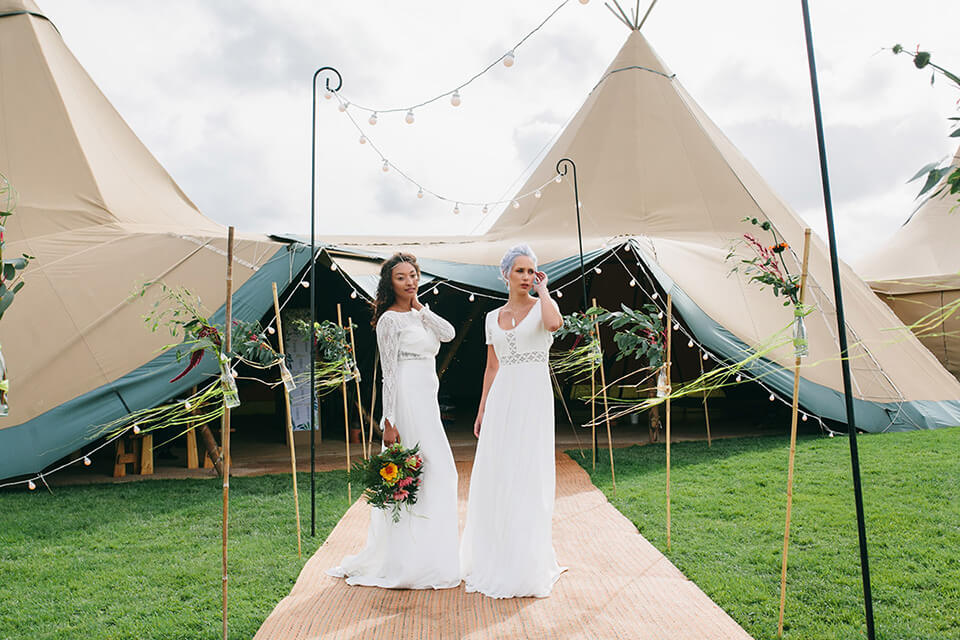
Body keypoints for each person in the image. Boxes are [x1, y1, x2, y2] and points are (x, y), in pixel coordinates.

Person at [327, 252, 460, 589]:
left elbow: (448, 333)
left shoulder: (420, 316)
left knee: (440, 474)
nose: (410, 281)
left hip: (428, 403)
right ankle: (406, 557)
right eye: (401, 277)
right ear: (390, 283)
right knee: (416, 476)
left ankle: (432, 553)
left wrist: (420, 307)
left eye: (413, 275)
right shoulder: (388, 321)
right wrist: (389, 420)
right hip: (406, 402)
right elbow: (388, 373)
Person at [460, 243, 567, 598]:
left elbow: (555, 324)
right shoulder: (492, 318)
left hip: (534, 398)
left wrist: (544, 289)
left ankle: (528, 559)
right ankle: (497, 554)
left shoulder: (543, 307)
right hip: (503, 397)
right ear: (506, 274)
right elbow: (492, 366)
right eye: (519, 270)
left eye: (530, 270)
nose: (525, 276)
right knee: (500, 472)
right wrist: (481, 408)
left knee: (529, 473)